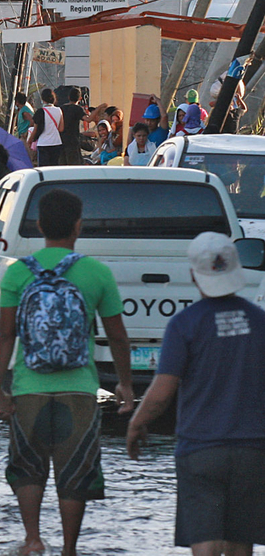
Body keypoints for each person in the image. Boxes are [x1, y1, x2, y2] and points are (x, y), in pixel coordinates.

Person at [0, 188, 134, 556]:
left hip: (28, 387)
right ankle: (69, 548)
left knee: (27, 467)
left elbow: (5, 335)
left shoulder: (17, 273)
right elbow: (117, 336)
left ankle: (33, 539)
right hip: (80, 389)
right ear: (78, 226)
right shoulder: (96, 273)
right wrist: (125, 384)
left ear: (39, 225)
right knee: (75, 472)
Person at [126, 232, 265, 556]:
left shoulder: (184, 324)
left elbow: (162, 393)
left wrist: (136, 423)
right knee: (241, 538)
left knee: (204, 533)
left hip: (200, 448)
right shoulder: (260, 322)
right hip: (253, 449)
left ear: (193, 274)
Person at [28, 89, 64, 167]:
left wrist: (29, 141)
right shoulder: (59, 110)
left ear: (42, 99)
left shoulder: (40, 112)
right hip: (57, 143)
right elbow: (61, 129)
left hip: (43, 143)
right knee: (54, 167)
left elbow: (35, 130)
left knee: (44, 169)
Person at [59, 87, 87, 165]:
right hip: (73, 141)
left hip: (61, 140)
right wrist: (99, 109)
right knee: (74, 164)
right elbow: (88, 119)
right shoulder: (78, 109)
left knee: (62, 164)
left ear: (68, 97)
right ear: (80, 98)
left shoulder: (61, 108)